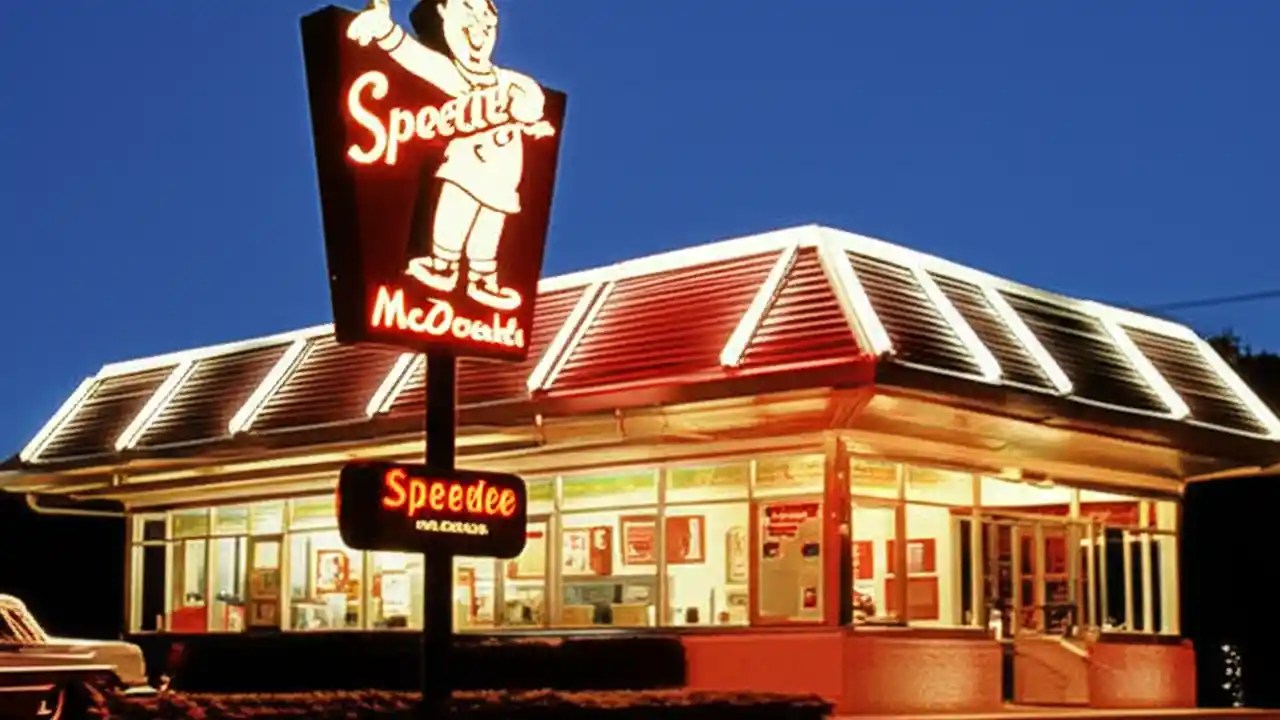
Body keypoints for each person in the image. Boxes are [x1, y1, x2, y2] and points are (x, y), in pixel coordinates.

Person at [347, 0, 556, 312]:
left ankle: (482, 278)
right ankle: (444, 264)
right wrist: (386, 31)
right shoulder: (455, 76)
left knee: (491, 225)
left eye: (487, 16)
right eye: (468, 10)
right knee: (453, 211)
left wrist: (530, 115)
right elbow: (418, 60)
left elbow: (533, 103)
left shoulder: (508, 81)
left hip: (504, 175)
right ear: (443, 15)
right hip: (465, 166)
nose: (481, 25)